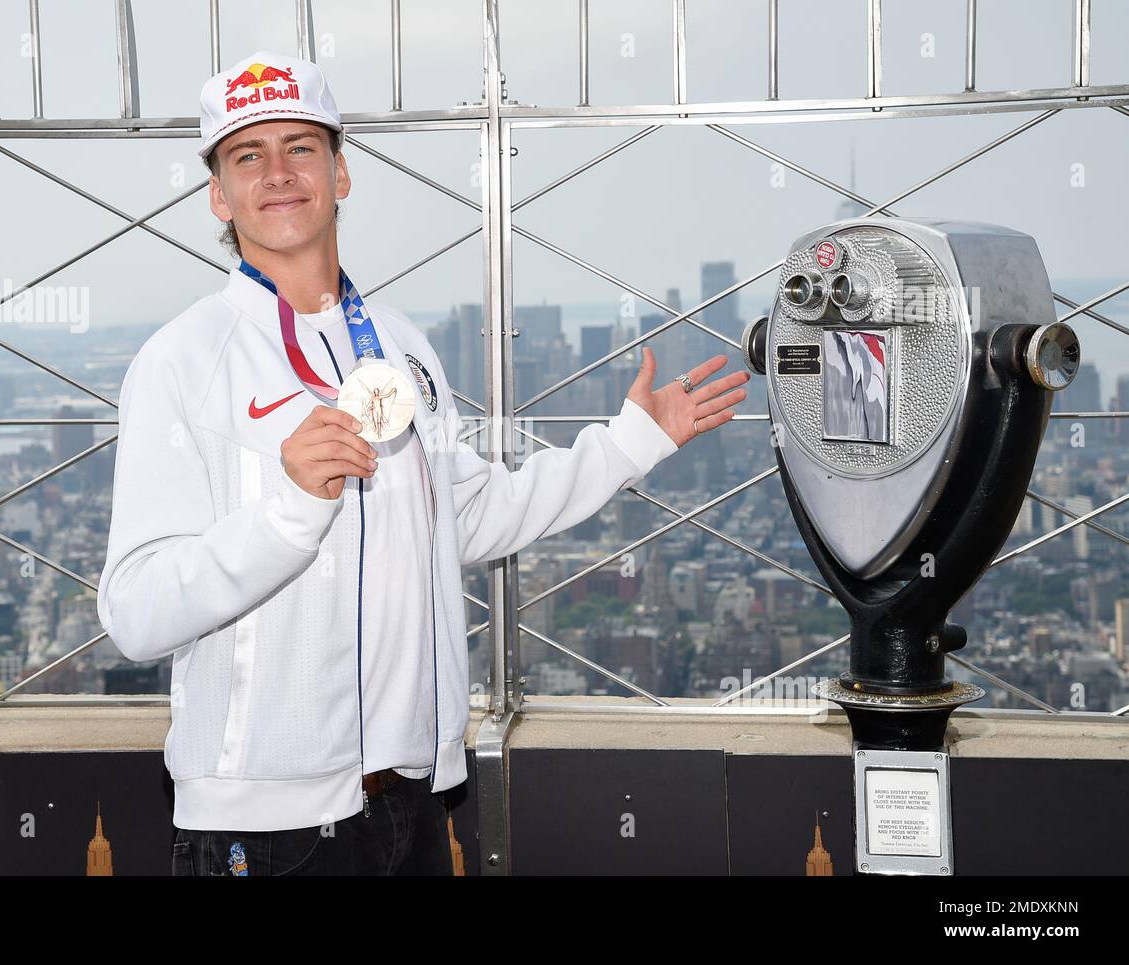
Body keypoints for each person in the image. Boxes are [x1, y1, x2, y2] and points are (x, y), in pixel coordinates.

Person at [96, 49, 749, 876]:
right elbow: (134, 612)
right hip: (261, 828)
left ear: (341, 173)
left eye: (301, 147)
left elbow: (471, 514)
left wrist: (626, 444)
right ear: (218, 195)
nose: (278, 173)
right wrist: (290, 510)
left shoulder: (403, 346)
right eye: (247, 155)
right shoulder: (181, 361)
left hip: (413, 799)